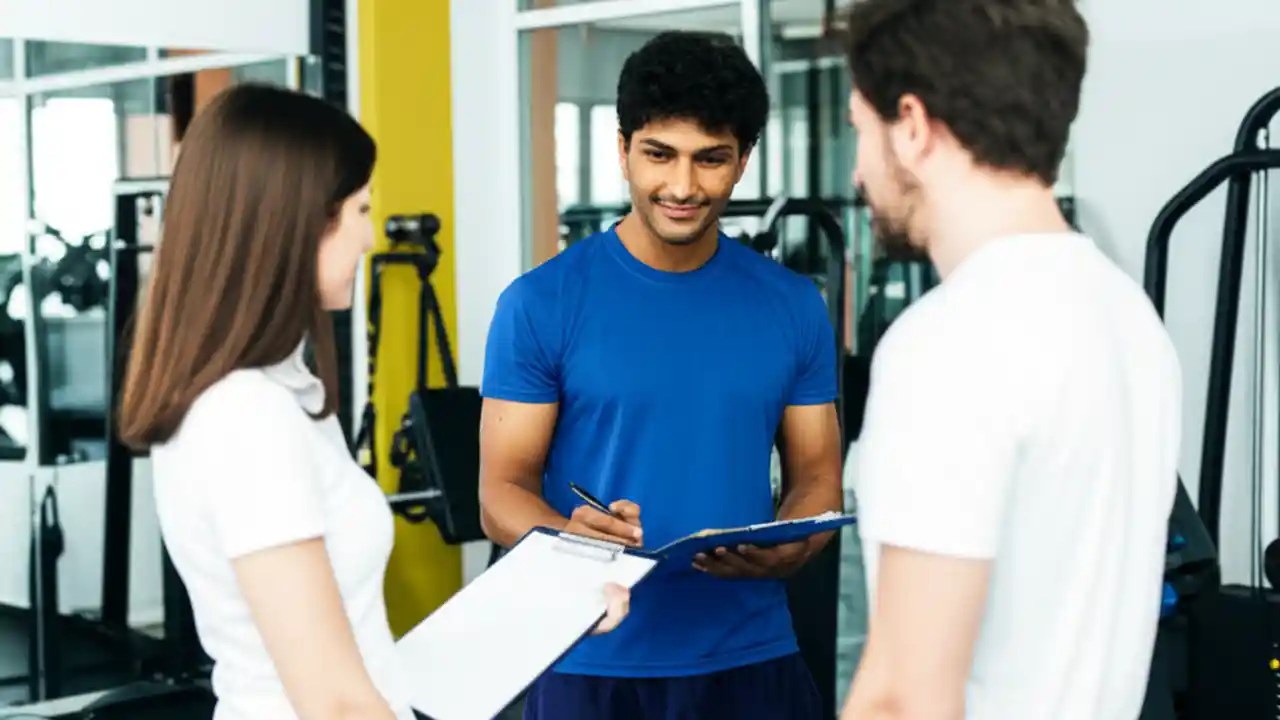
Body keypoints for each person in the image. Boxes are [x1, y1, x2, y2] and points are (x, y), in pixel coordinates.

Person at [117, 83, 630, 720]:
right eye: (358, 210)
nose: (367, 238)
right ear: (292, 225)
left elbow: (364, 654)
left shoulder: (281, 391)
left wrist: (549, 612)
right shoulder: (245, 416)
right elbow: (333, 703)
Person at [479, 31, 844, 720]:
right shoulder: (539, 303)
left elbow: (818, 474)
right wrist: (570, 539)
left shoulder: (794, 306)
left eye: (711, 159)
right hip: (589, 658)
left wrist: (795, 542)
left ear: (743, 161)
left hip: (753, 655)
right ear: (622, 150)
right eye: (659, 154)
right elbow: (500, 492)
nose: (682, 186)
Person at [837, 1, 1182, 718]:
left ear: (912, 126)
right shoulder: (1128, 315)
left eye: (859, 130)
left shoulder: (949, 342)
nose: (858, 172)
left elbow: (905, 700)